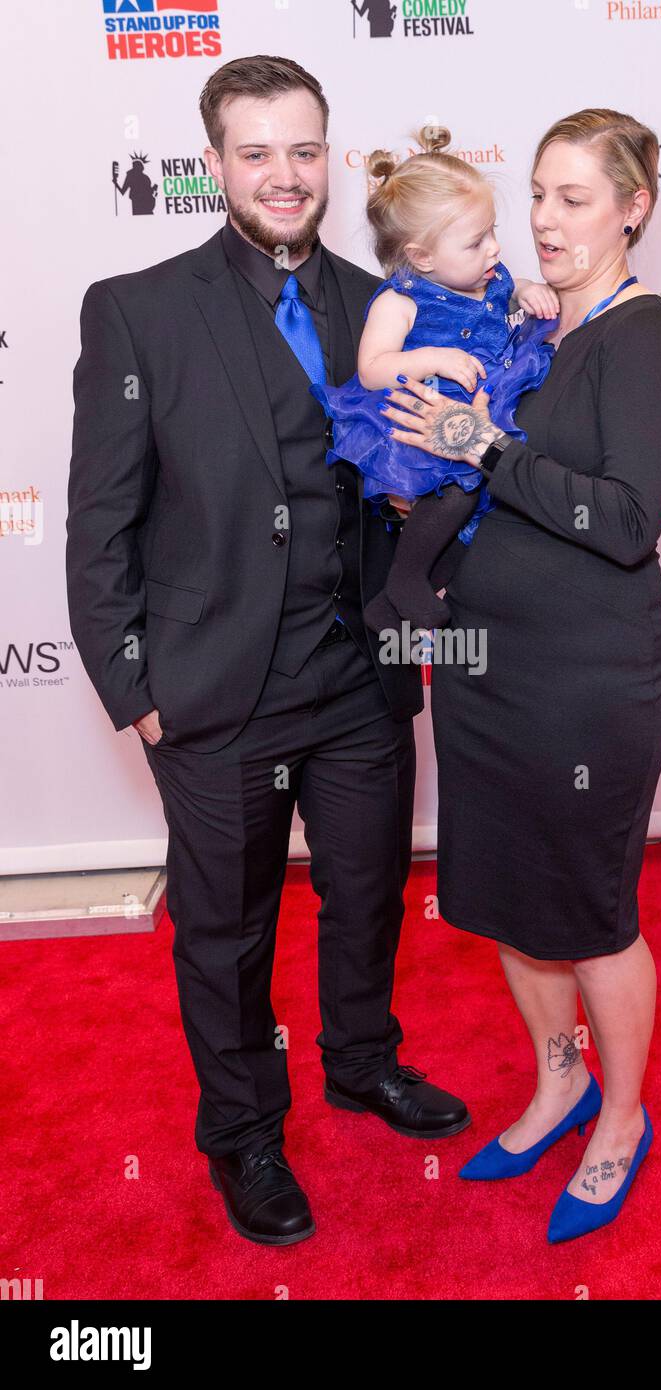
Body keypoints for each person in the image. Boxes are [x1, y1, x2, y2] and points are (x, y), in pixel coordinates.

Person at [66, 54, 470, 1250]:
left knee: (367, 894)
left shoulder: (375, 298)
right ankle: (241, 1130)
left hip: (355, 675)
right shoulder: (137, 307)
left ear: (328, 157)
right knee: (227, 928)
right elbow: (98, 525)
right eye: (257, 153)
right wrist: (135, 690)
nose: (285, 176)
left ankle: (359, 1062)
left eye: (304, 150)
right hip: (211, 691)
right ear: (214, 165)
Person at [378, 109, 661, 1243]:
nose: (545, 221)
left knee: (590, 913)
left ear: (633, 208)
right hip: (483, 675)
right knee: (513, 907)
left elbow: (622, 521)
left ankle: (619, 1114)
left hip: (585, 686)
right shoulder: (522, 325)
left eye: (575, 199)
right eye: (536, 195)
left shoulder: (648, 338)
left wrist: (484, 446)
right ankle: (556, 1081)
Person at [310, 124, 559, 633]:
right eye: (475, 242)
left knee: (479, 519)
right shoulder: (400, 299)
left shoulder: (493, 278)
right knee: (458, 494)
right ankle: (405, 581)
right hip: (423, 418)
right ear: (422, 256)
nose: (494, 249)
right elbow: (373, 368)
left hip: (484, 405)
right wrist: (434, 358)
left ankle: (387, 605)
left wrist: (528, 289)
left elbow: (509, 300)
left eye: (492, 231)